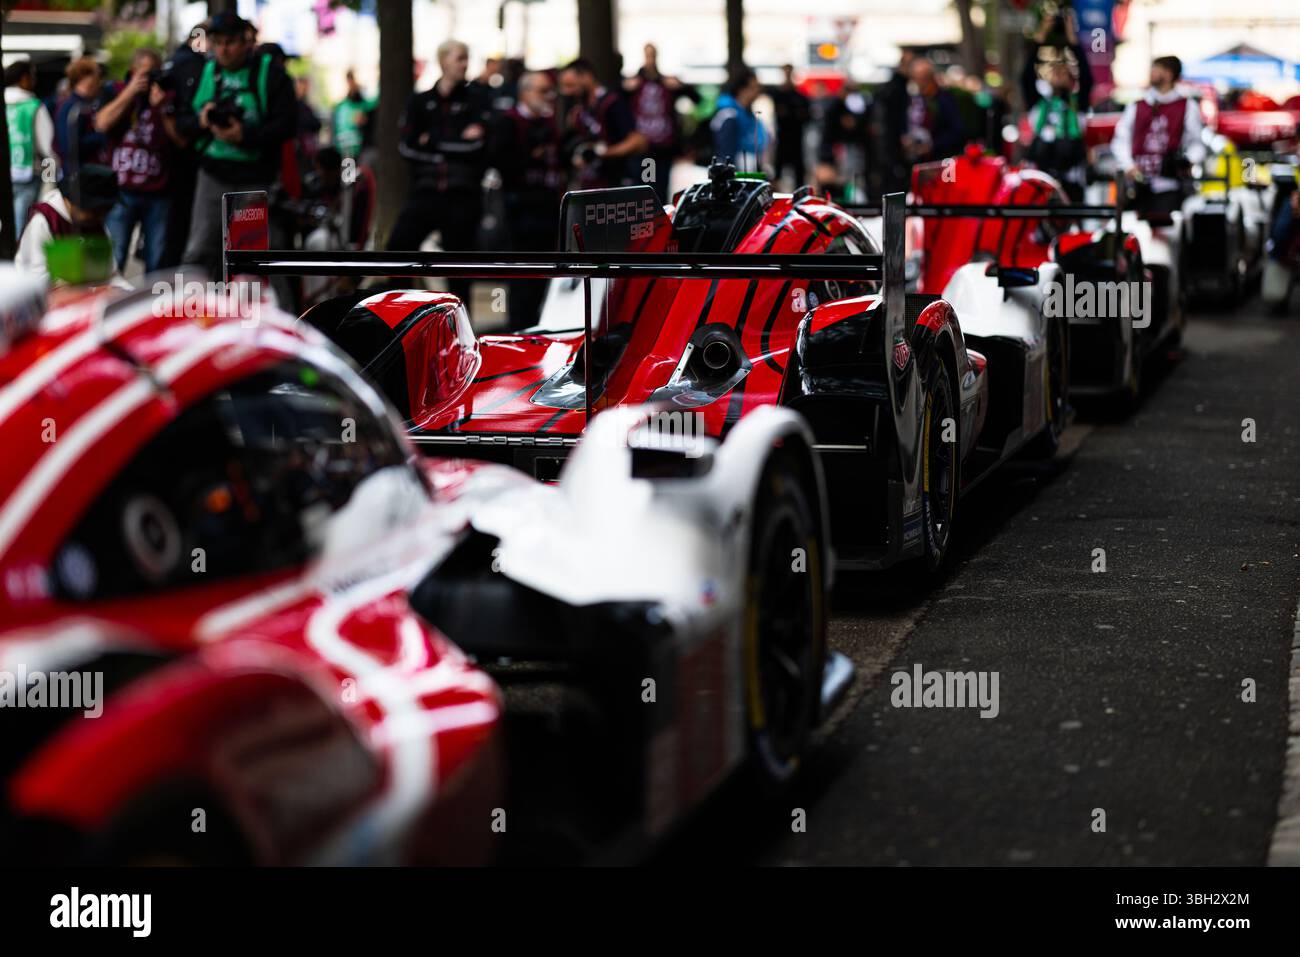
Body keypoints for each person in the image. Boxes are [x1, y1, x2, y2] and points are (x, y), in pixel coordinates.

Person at [176, 11, 297, 274]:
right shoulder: (206, 71)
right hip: (213, 175)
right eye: (218, 43)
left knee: (256, 258)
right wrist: (203, 121)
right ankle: (196, 311)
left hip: (255, 179)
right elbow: (182, 121)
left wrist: (246, 136)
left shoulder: (270, 73)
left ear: (246, 42)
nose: (223, 50)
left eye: (230, 43)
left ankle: (268, 312)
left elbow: (287, 125)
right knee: (198, 252)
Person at [386, 39, 493, 304]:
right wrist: (456, 141)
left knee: (460, 268)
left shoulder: (477, 99)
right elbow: (406, 148)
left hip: (462, 194)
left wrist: (432, 141)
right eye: (459, 58)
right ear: (443, 61)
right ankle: (399, 314)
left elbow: (478, 146)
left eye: (467, 58)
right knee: (397, 250)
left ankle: (460, 327)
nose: (465, 64)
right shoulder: (420, 102)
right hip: (426, 191)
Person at [93, 48, 186, 274]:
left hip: (158, 191)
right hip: (121, 191)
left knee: (157, 260)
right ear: (133, 72)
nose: (151, 78)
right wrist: (130, 92)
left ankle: (154, 307)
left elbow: (181, 142)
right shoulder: (115, 91)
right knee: (115, 256)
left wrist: (163, 108)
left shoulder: (169, 96)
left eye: (156, 72)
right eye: (146, 74)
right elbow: (101, 123)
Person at [494, 71, 565, 330]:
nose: (548, 97)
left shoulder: (549, 123)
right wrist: (531, 154)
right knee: (522, 273)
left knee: (545, 274)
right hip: (521, 209)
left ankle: (537, 326)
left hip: (547, 207)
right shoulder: (509, 121)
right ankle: (518, 328)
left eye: (549, 91)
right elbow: (501, 161)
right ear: (525, 92)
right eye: (542, 91)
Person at [1111, 55, 1205, 217]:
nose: (1151, 73)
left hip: (1168, 185)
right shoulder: (1138, 105)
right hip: (1137, 185)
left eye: (1156, 69)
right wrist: (1128, 165)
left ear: (1168, 74)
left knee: (1164, 233)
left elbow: (1197, 143)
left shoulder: (1187, 106)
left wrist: (1188, 161)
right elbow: (1121, 138)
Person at [1019, 10, 1093, 198]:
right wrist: (1042, 33)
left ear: (1071, 81)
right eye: (1054, 72)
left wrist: (1072, 37)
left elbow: (1086, 76)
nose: (1058, 74)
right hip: (1041, 179)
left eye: (1063, 72)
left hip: (1071, 178)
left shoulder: (1078, 105)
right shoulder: (1039, 104)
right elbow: (1026, 76)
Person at [15, 164, 123, 285]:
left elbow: (111, 274)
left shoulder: (96, 224)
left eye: (105, 211)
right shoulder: (44, 220)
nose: (100, 217)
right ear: (73, 200)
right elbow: (35, 277)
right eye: (95, 211)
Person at [558, 58, 647, 190]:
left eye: (571, 85)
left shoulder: (612, 103)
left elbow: (639, 142)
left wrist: (601, 152)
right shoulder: (580, 110)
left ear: (586, 77)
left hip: (615, 183)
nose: (567, 92)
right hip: (591, 185)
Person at [624, 44, 697, 201]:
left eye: (653, 55)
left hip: (663, 146)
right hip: (644, 147)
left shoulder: (666, 83)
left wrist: (680, 85)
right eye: (648, 55)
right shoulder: (635, 83)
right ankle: (648, 220)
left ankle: (657, 221)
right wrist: (625, 87)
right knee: (646, 188)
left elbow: (696, 99)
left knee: (660, 188)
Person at [5, 60, 56, 232]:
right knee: (21, 227)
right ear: (24, 78)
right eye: (33, 77)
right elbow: (47, 148)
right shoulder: (34, 106)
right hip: (27, 174)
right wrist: (50, 181)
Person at [902, 58, 965, 169]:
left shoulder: (944, 100)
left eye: (923, 79)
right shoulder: (916, 99)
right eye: (916, 79)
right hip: (920, 162)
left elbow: (957, 131)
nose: (919, 83)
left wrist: (932, 146)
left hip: (941, 162)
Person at [53, 57, 110, 173]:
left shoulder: (86, 104)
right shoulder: (72, 107)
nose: (99, 82)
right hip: (79, 178)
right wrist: (101, 134)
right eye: (96, 77)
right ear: (85, 79)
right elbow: (69, 146)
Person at [710, 68, 768, 173]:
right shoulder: (729, 115)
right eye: (754, 87)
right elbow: (725, 154)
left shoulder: (745, 114)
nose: (758, 91)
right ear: (742, 89)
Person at [769, 64, 811, 189]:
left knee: (798, 174)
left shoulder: (799, 96)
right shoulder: (778, 95)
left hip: (796, 141)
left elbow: (805, 116)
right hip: (782, 139)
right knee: (778, 173)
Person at [332, 70, 377, 162]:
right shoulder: (343, 106)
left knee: (355, 173)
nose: (353, 84)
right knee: (349, 174)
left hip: (361, 148)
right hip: (348, 148)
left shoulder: (364, 104)